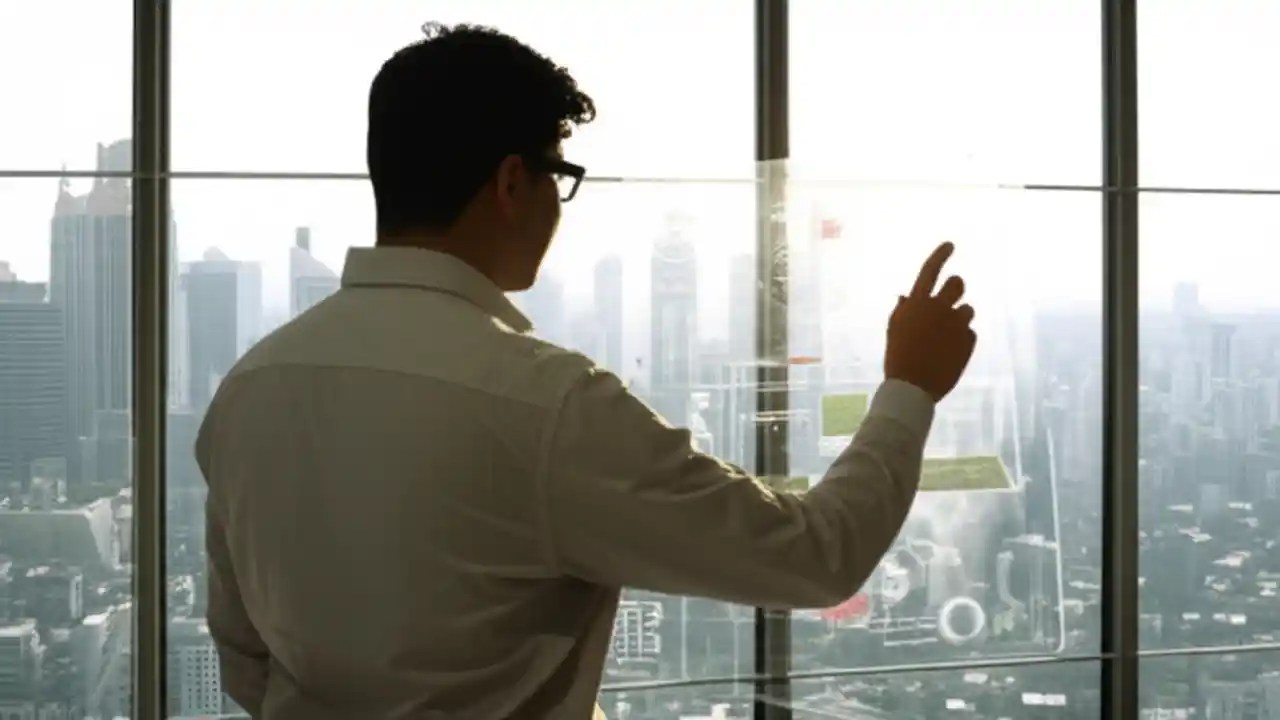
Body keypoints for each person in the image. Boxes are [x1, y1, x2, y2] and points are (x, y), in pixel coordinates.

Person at [195, 22, 977, 720]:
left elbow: (244, 655)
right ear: (511, 183)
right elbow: (814, 558)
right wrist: (909, 387)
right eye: (558, 177)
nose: (558, 205)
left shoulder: (251, 387)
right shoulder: (548, 407)